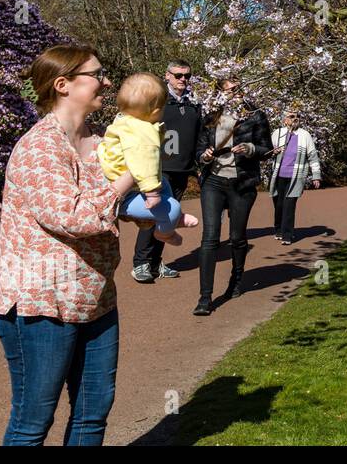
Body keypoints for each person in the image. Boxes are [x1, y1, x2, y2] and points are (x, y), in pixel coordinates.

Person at [0, 45, 141, 444]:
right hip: (42, 303)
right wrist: (129, 178)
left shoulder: (102, 142)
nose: (107, 81)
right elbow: (72, 218)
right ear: (63, 85)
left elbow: (111, 206)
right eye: (98, 73)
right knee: (33, 420)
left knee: (92, 414)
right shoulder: (40, 148)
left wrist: (154, 211)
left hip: (95, 297)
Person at [192, 78, 273, 316]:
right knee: (210, 238)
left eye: (237, 89)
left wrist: (250, 150)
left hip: (242, 182)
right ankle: (205, 298)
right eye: (228, 91)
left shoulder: (255, 115)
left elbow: (266, 149)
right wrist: (204, 156)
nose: (234, 94)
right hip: (213, 181)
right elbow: (198, 149)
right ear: (220, 93)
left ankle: (236, 281)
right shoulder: (210, 116)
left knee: (237, 237)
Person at [97, 73, 198, 246]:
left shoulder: (125, 120)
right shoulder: (142, 131)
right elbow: (144, 161)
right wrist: (151, 192)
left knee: (164, 184)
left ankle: (174, 219)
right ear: (156, 111)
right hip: (122, 194)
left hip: (117, 178)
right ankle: (164, 232)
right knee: (171, 207)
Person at [132, 59, 202, 283]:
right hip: (159, 168)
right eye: (178, 75)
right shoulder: (157, 101)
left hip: (183, 168)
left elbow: (199, 135)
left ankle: (155, 262)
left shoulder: (195, 103)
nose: (183, 80)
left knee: (169, 218)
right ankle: (141, 263)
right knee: (154, 214)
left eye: (187, 76)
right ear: (167, 76)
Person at [267, 109, 321, 246]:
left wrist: (316, 175)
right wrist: (274, 152)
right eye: (291, 117)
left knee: (289, 205)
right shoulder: (278, 133)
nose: (295, 119)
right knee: (279, 204)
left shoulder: (304, 135)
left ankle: (287, 234)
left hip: (296, 176)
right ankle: (278, 229)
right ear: (285, 120)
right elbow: (267, 152)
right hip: (279, 175)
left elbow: (313, 156)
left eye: (297, 117)